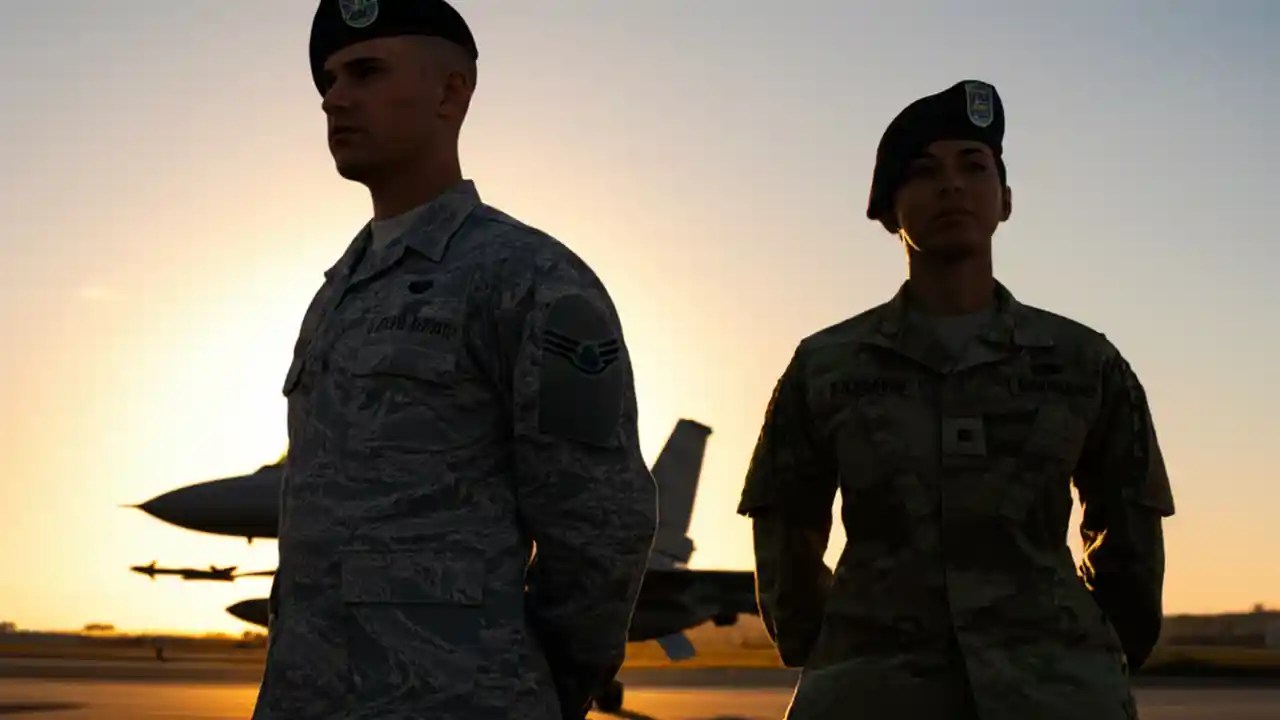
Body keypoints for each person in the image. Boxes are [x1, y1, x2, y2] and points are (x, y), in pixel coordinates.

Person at [251, 2, 658, 719]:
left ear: (450, 93)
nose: (334, 98)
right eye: (329, 80)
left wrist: (531, 691)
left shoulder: (529, 278)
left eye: (366, 73)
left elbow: (599, 526)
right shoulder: (336, 295)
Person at [737, 80, 1175, 719]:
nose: (952, 186)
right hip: (871, 694)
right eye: (924, 172)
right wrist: (842, 648)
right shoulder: (826, 365)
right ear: (890, 211)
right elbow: (786, 531)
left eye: (974, 167)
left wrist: (1083, 655)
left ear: (1005, 199)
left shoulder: (1084, 362)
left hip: (1055, 694)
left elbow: (1129, 529)